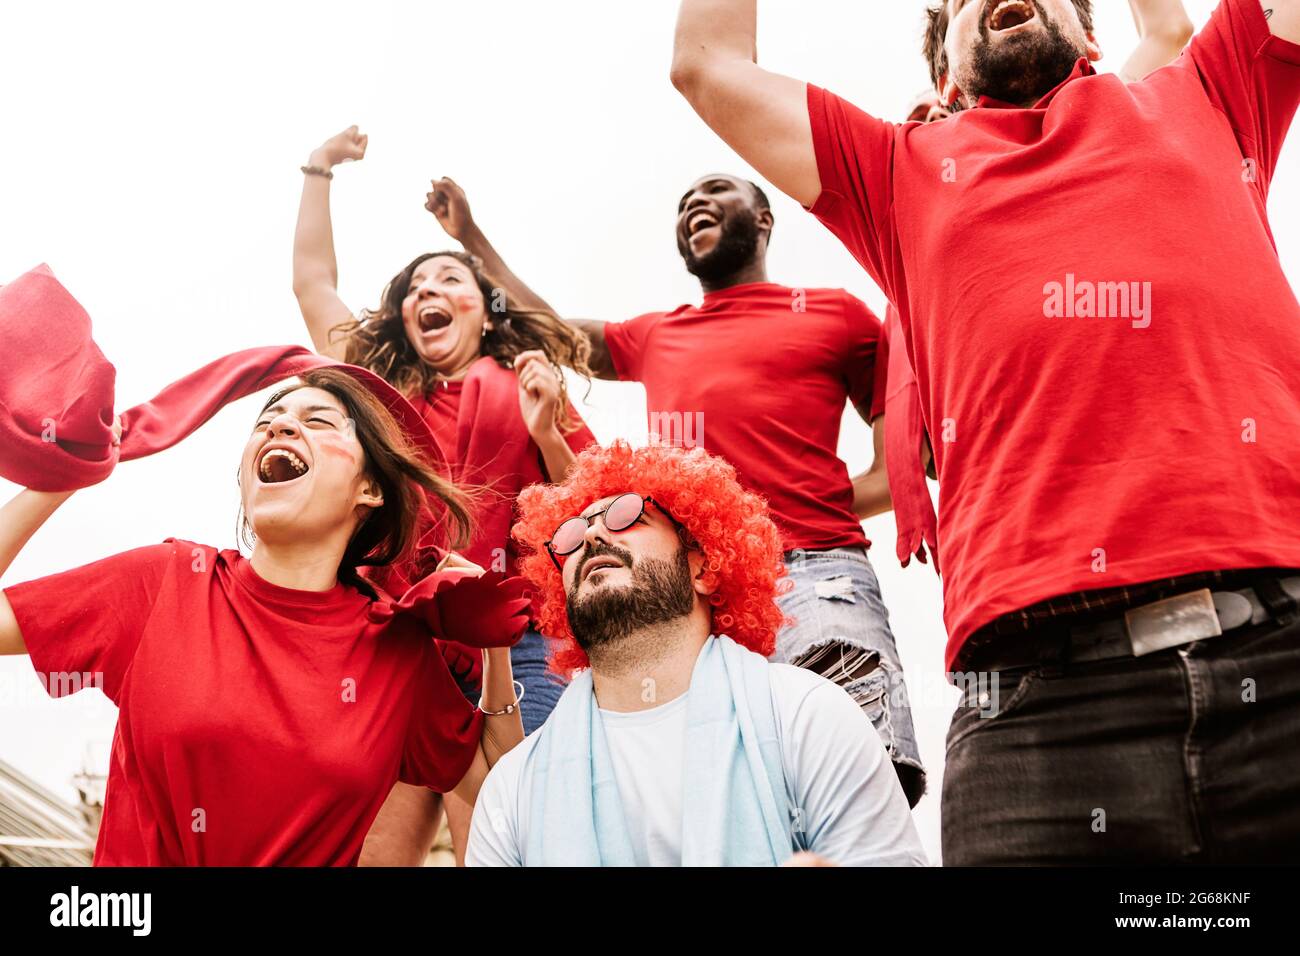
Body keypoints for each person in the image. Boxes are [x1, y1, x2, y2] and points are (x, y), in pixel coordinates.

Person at [670, 0, 1300, 863]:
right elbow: (708, 65)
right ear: (946, 77)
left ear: (1092, 37)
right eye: (961, 2)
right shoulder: (897, 171)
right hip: (1042, 715)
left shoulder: (1209, 88)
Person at [423, 171, 927, 808]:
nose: (695, 205)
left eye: (715, 191)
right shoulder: (657, 333)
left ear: (763, 218)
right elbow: (543, 329)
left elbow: (898, 471)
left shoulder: (839, 317)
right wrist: (471, 237)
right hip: (690, 595)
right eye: (685, 202)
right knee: (727, 803)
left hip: (817, 572)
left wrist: (791, 504)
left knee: (855, 773)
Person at [0, 266, 530, 865]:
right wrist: (65, 474)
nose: (279, 423)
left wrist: (495, 650)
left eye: (319, 421)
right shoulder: (163, 582)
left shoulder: (394, 650)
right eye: (270, 419)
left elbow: (501, 792)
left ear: (370, 490)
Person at [293, 128, 599, 862]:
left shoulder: (529, 381)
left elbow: (598, 509)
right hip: (399, 647)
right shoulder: (383, 386)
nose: (427, 292)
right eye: (414, 289)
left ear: (486, 309)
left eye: (448, 281)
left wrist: (548, 428)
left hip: (515, 647)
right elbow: (312, 283)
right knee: (364, 853)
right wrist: (318, 168)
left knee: (507, 841)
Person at [466, 441, 927, 866]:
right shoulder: (513, 790)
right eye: (568, 538)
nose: (589, 538)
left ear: (704, 566)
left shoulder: (807, 717)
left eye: (626, 516)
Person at [882, 0, 1194, 572]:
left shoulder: (1112, 119)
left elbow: (1169, 31)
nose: (925, 131)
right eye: (916, 123)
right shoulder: (911, 219)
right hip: (1014, 546)